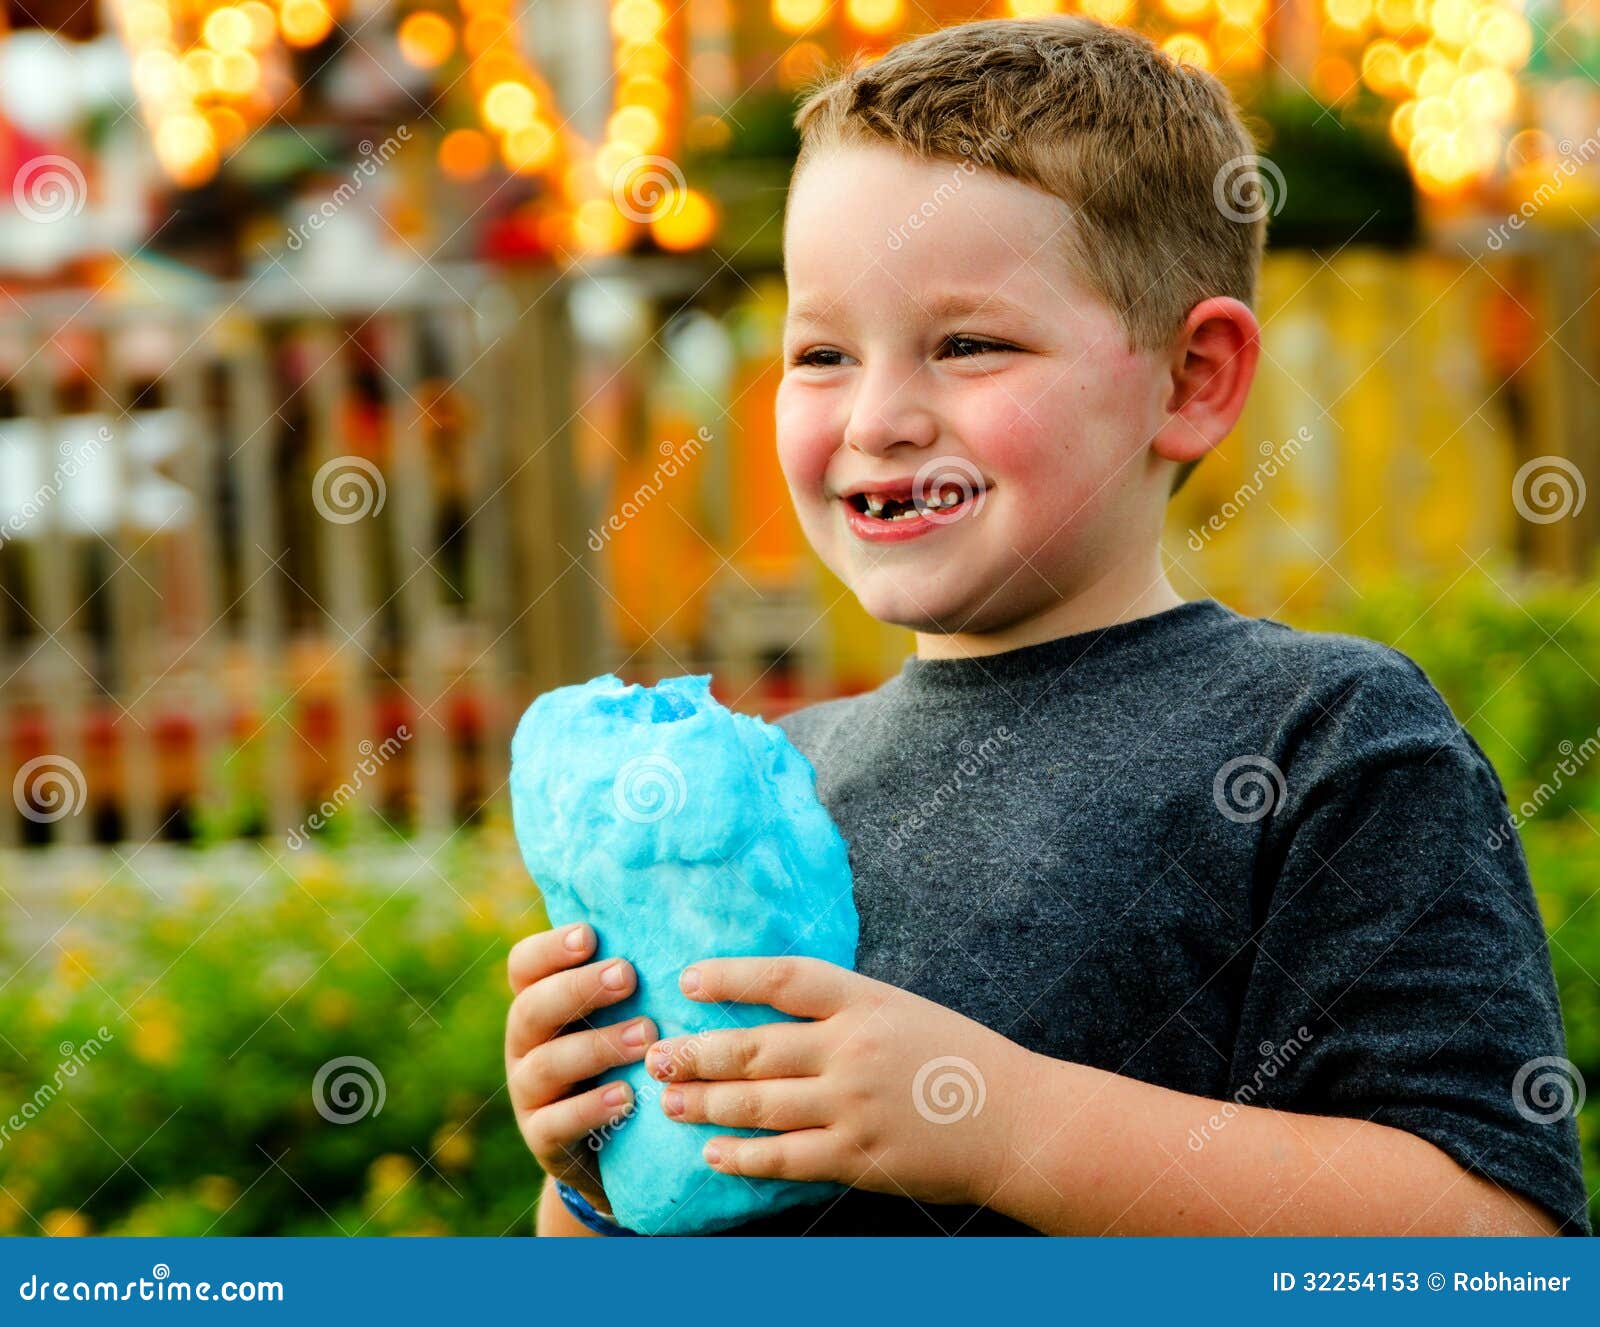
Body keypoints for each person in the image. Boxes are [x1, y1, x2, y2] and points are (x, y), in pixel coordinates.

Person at [504, 16, 1591, 1237]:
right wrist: (589, 1179)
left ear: (1191, 380)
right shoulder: (778, 781)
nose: (878, 417)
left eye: (967, 344)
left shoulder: (1318, 736)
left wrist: (1001, 1125)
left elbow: (1498, 1239)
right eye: (820, 352)